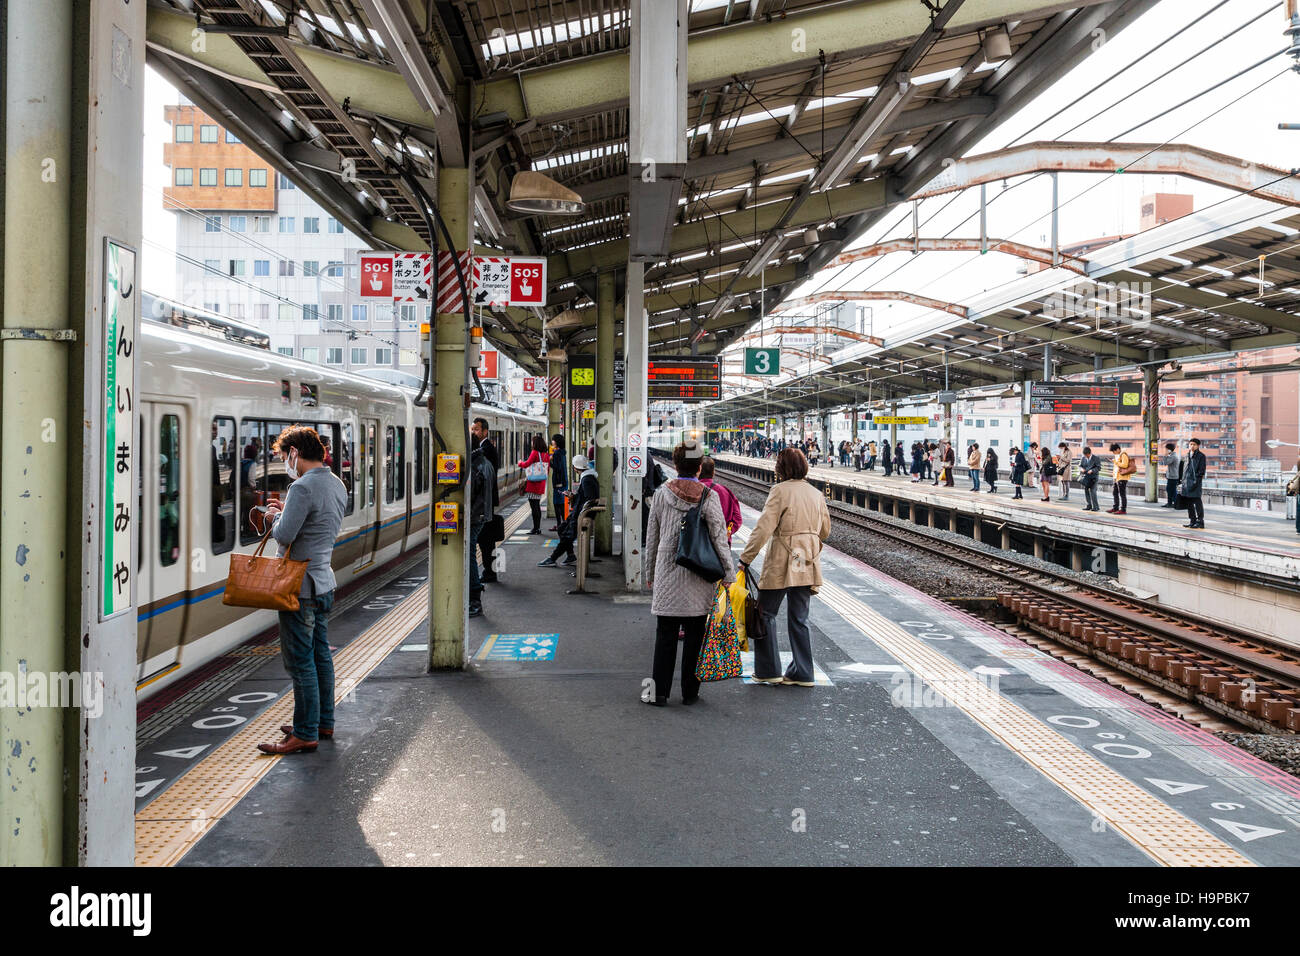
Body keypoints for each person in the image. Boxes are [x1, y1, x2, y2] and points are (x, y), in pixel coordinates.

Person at [257, 425, 348, 755]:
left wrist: (272, 518)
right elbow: (313, 526)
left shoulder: (301, 488)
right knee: (321, 655)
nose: (285, 463)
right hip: (323, 581)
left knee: (300, 661)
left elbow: (284, 535)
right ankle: (322, 720)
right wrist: (287, 517)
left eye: (284, 457)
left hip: (299, 586)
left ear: (294, 453)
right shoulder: (336, 484)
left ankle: (305, 732)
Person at [643, 442, 735, 706]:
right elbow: (719, 538)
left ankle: (658, 694)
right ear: (698, 467)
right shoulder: (709, 496)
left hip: (668, 571)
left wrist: (650, 571)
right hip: (699, 574)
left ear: (675, 464)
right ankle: (690, 693)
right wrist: (728, 574)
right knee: (696, 637)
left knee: (665, 636)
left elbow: (653, 536)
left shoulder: (661, 493)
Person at [738, 447, 832, 688]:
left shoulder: (779, 491)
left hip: (782, 559)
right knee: (800, 618)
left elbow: (763, 528)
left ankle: (769, 671)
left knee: (765, 613)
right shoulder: (816, 494)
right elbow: (825, 531)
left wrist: (746, 558)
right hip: (806, 560)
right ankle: (803, 673)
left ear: (781, 468)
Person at [540, 454, 598, 567]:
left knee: (567, 535)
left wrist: (576, 506)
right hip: (581, 514)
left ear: (576, 468)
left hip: (582, 515)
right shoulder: (589, 477)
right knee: (562, 528)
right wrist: (573, 496)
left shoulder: (586, 480)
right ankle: (570, 555)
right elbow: (586, 498)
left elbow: (589, 500)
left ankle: (553, 558)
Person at [471, 418, 502, 583]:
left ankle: (490, 572)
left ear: (485, 431)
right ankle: (490, 571)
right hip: (486, 502)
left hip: (484, 503)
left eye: (476, 429)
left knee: (486, 541)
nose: (473, 432)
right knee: (486, 540)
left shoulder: (486, 450)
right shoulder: (486, 448)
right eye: (473, 429)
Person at [467, 436, 495, 616]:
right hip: (481, 516)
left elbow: (475, 497)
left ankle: (475, 597)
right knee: (469, 552)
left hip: (475, 517)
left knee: (468, 554)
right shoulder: (484, 462)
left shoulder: (476, 466)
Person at [698, 456, 742, 543]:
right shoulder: (725, 491)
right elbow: (737, 518)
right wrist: (728, 531)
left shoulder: (690, 490)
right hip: (722, 543)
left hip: (696, 544)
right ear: (713, 472)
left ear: (698, 471)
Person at [518, 434, 550, 534]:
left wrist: (520, 463)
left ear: (535, 443)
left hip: (533, 483)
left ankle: (535, 528)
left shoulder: (535, 453)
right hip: (541, 483)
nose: (531, 444)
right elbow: (547, 470)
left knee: (534, 507)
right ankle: (537, 528)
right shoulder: (546, 455)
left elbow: (527, 464)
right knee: (537, 506)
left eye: (532, 442)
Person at [1180, 437, 1207, 529]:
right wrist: (1182, 480)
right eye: (1190, 444)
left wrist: (1196, 480)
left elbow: (1202, 471)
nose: (1192, 446)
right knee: (1189, 503)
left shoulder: (1201, 456)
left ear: (1198, 446)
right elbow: (1184, 469)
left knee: (1197, 502)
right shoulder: (1187, 455)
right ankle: (1192, 521)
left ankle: (1200, 522)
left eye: (1194, 444)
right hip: (1186, 483)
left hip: (1195, 483)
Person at [1108, 442, 1135, 514]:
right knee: (1115, 493)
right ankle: (1115, 507)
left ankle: (1123, 509)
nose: (1114, 453)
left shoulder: (1123, 454)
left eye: (1114, 451)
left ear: (1118, 449)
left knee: (1122, 494)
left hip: (1122, 477)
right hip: (1117, 477)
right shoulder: (1118, 455)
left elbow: (1125, 465)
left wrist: (1115, 462)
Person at [549, 433, 568, 532]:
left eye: (553, 440)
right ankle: (563, 523)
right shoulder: (563, 452)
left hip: (559, 482)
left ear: (557, 442)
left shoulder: (557, 453)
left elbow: (557, 468)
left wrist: (549, 462)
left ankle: (560, 524)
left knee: (557, 504)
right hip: (563, 481)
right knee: (561, 503)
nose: (552, 442)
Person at [1079, 446, 1101, 512]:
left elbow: (1098, 467)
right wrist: (1081, 469)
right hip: (1086, 477)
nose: (1086, 457)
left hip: (1094, 477)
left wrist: (1092, 470)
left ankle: (1096, 507)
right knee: (1086, 490)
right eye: (1085, 455)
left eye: (1087, 455)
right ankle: (1089, 505)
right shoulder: (1083, 458)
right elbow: (1080, 466)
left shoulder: (1096, 458)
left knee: (1093, 491)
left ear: (1090, 453)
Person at [1161, 442, 1181, 507]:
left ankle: (1173, 503)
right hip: (1172, 476)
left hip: (1173, 476)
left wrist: (1165, 455)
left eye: (1166, 449)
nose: (1165, 450)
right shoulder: (1172, 456)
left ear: (1169, 449)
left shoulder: (1173, 456)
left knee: (1171, 490)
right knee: (1170, 490)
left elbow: (1165, 462)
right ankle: (1171, 503)